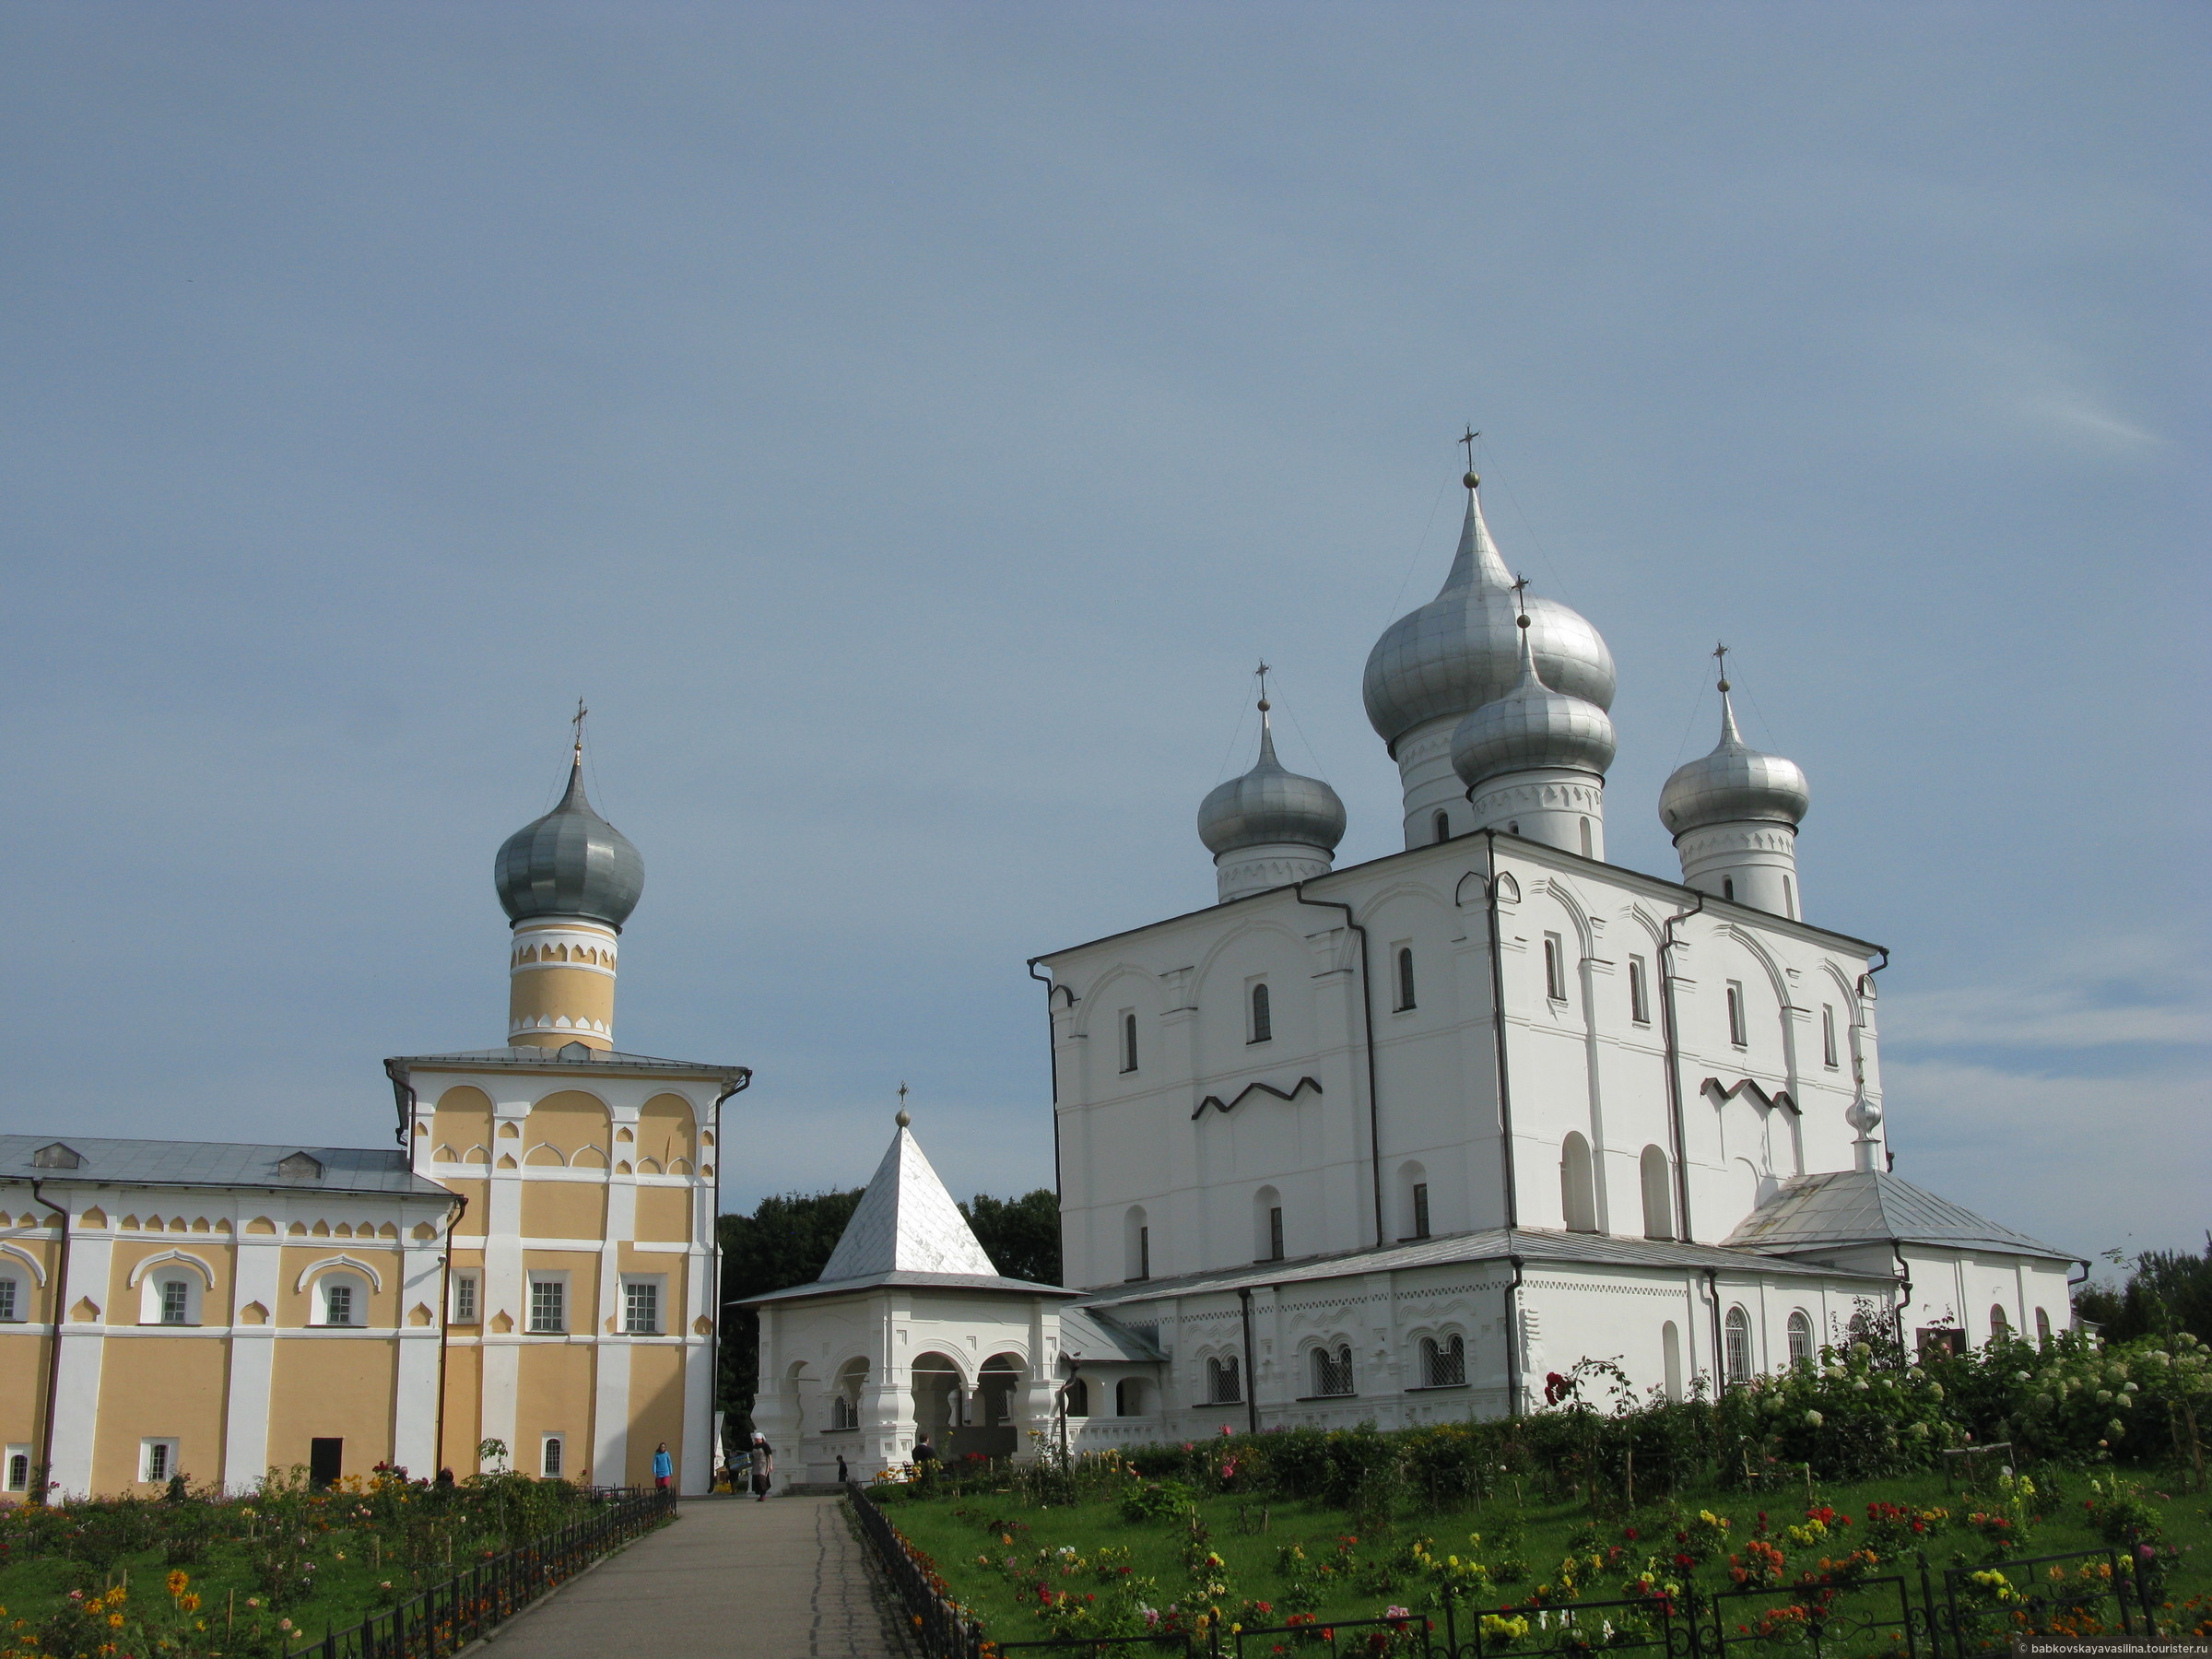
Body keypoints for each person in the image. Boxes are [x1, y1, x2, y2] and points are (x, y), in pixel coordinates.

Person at [747, 1431, 774, 1501]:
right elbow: (752, 1455)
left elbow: (769, 1456)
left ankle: (763, 1494)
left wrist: (770, 1465)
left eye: (757, 1439)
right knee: (756, 1479)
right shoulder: (754, 1446)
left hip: (764, 1463)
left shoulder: (765, 1446)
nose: (756, 1440)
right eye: (755, 1439)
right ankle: (760, 1495)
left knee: (761, 1478)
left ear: (761, 1439)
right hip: (756, 1463)